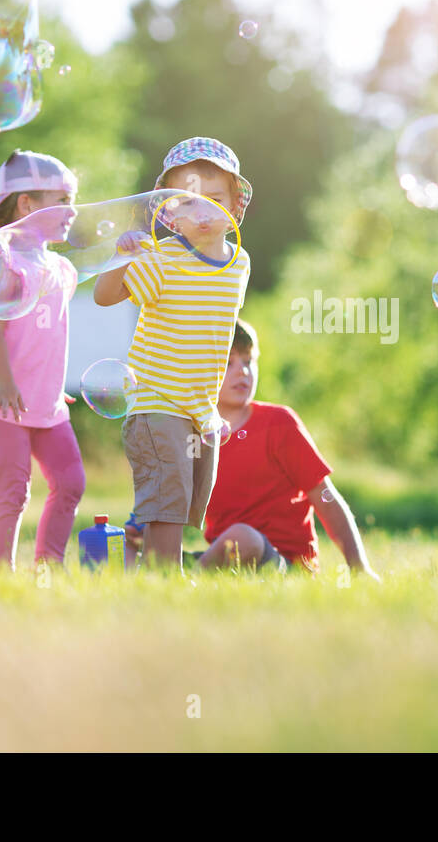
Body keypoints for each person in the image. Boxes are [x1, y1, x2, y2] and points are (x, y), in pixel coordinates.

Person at [93, 137, 252, 573]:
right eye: (188, 202)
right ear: (169, 214)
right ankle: (167, 578)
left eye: (214, 199)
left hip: (200, 408)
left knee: (189, 498)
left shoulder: (240, 264)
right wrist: (122, 256)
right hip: (156, 399)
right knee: (169, 497)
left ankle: (143, 558)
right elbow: (106, 297)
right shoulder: (163, 257)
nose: (202, 212)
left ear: (235, 206)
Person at [0, 150, 85, 570]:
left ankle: (47, 569)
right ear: (27, 204)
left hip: (45, 404)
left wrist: (48, 385)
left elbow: (47, 333)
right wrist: (5, 384)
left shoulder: (60, 267)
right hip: (2, 400)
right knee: (14, 490)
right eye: (63, 199)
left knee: (70, 482)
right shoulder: (6, 265)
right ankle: (0, 576)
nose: (73, 209)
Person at [197, 319, 380, 581]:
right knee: (132, 546)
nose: (243, 372)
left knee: (242, 536)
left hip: (287, 566)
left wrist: (359, 567)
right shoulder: (196, 436)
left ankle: (190, 579)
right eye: (228, 363)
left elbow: (325, 498)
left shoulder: (279, 423)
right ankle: (188, 575)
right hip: (226, 561)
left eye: (249, 361)